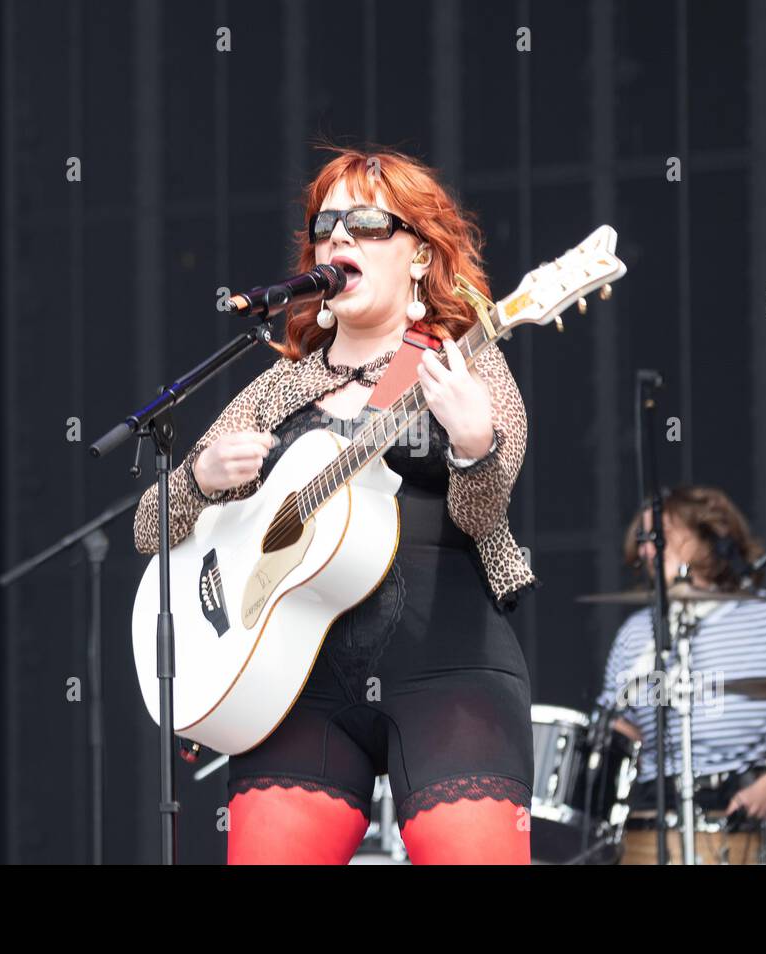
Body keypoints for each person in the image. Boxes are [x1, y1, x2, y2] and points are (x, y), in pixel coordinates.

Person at [134, 145, 539, 864]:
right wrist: (199, 478)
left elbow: (485, 516)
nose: (339, 240)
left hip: (449, 666)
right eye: (325, 227)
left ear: (419, 255)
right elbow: (147, 528)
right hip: (295, 682)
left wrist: (474, 446)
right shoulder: (276, 388)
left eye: (366, 224)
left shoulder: (462, 362)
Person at [596, 485, 766, 863]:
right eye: (641, 541)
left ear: (706, 534)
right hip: (652, 819)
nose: (647, 550)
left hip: (751, 812)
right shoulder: (635, 634)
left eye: (657, 536)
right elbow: (623, 734)